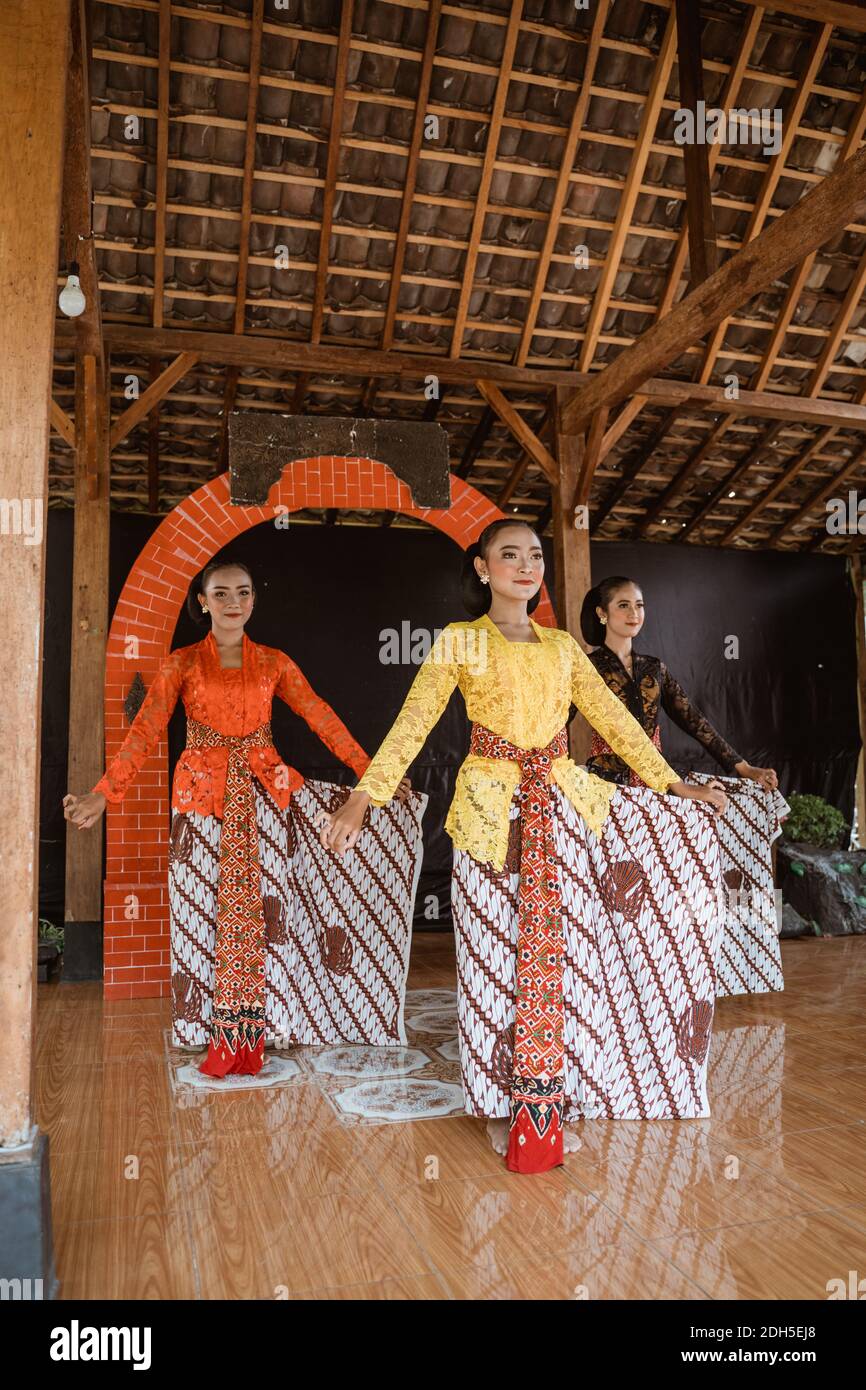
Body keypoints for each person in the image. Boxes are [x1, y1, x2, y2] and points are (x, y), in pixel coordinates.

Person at [318, 521, 728, 1175]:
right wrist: (364, 796)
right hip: (489, 814)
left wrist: (672, 782)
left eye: (535, 555)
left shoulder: (564, 648)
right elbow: (413, 723)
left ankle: (566, 1089)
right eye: (509, 555)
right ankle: (511, 1094)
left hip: (563, 807)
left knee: (570, 951)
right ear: (482, 569)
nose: (526, 565)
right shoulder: (461, 642)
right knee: (492, 957)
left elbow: (614, 721)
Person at [63, 558, 413, 1078]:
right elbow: (144, 732)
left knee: (267, 911)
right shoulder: (181, 663)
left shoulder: (274, 662)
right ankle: (202, 1028)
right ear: (202, 602)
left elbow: (320, 716)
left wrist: (372, 774)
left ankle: (267, 1025)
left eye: (242, 592)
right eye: (220, 593)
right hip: (198, 799)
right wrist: (103, 794)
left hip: (263, 790)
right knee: (200, 910)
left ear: (253, 601)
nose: (233, 602)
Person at [581, 576, 787, 997]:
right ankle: (606, 986)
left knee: (657, 886)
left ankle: (655, 984)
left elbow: (694, 721)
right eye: (622, 605)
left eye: (639, 604)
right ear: (602, 614)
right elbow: (554, 724)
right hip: (606, 786)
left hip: (658, 786)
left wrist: (742, 766)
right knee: (612, 886)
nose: (634, 613)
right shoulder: (586, 667)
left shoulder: (654, 669)